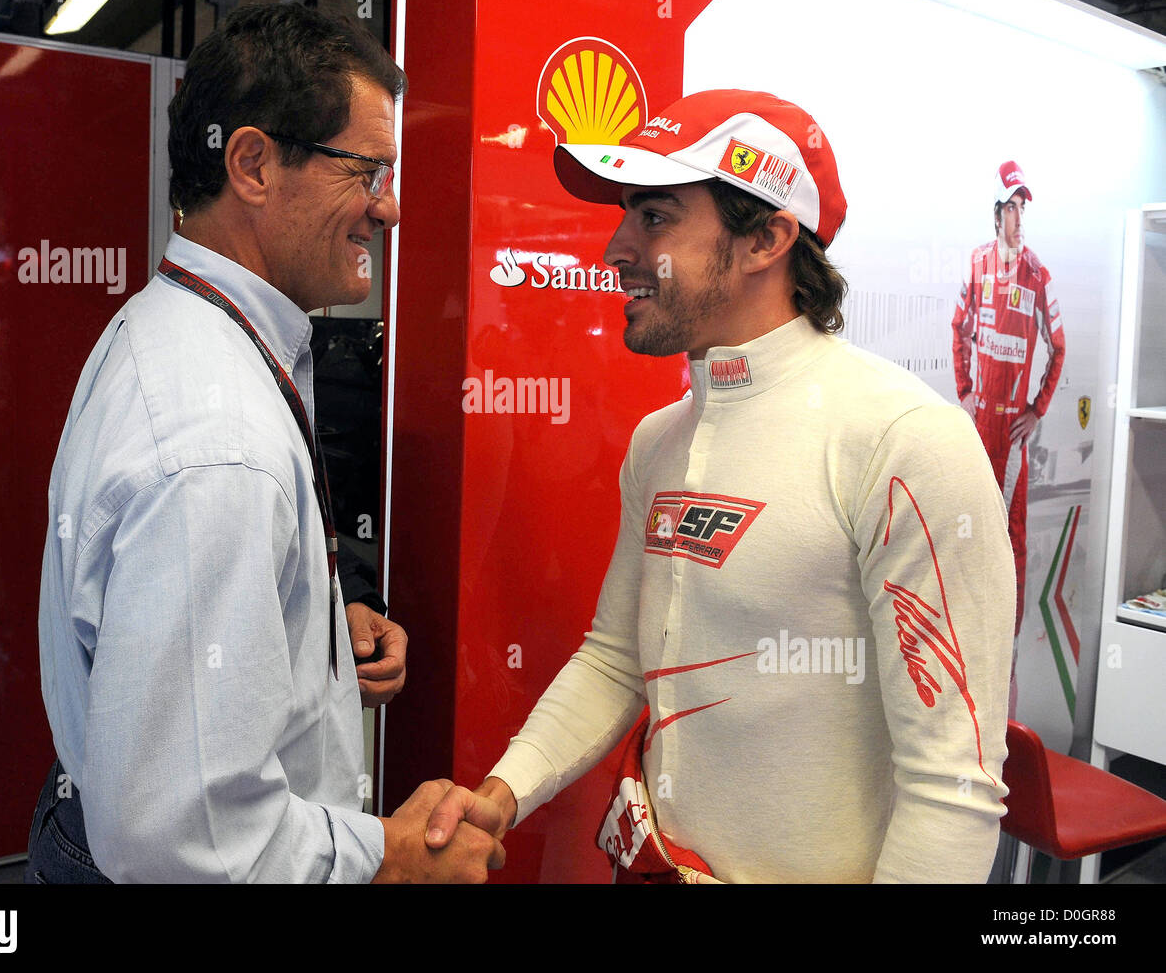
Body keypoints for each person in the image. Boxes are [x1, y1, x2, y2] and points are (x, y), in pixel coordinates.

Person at [429, 89, 1015, 882]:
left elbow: (953, 786)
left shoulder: (904, 440)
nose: (615, 247)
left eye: (654, 217)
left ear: (766, 238)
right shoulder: (660, 439)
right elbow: (615, 658)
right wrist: (504, 791)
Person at [29, 5, 502, 883]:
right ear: (251, 163)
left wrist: (307, 633)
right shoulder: (219, 446)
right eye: (368, 169)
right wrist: (389, 857)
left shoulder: (175, 328)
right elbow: (185, 838)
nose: (389, 207)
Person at [951, 161, 1065, 712]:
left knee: (1011, 532)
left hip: (1014, 430)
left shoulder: (1037, 273)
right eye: (1013, 206)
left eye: (1025, 206)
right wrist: (965, 390)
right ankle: (966, 635)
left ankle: (1007, 646)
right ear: (998, 212)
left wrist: (1038, 409)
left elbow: (1059, 345)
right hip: (979, 425)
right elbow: (958, 325)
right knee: (966, 524)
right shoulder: (976, 262)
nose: (1020, 217)